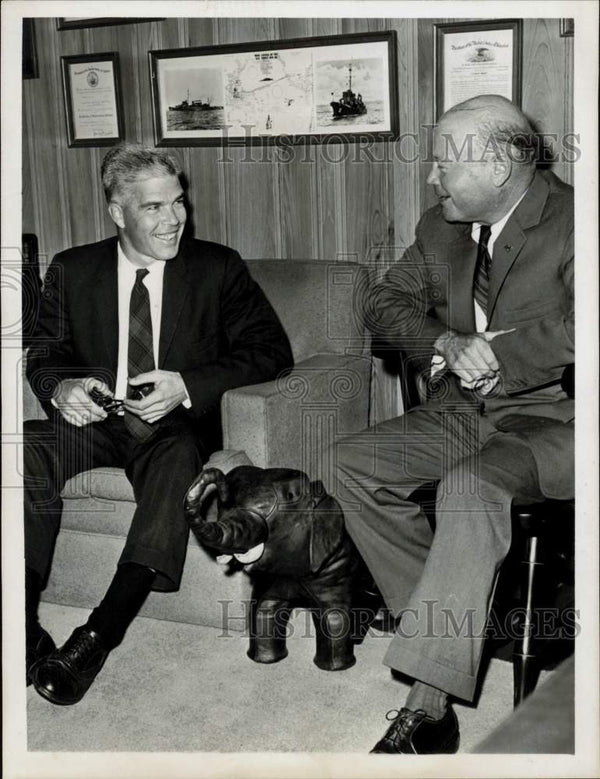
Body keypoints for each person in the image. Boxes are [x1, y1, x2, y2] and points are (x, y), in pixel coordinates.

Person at [335, 95, 574, 753]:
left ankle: (429, 702)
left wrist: (500, 352)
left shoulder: (580, 222)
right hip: (463, 414)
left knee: (468, 488)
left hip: (559, 423)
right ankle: (448, 626)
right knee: (348, 463)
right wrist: (445, 342)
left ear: (497, 165)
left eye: (443, 163)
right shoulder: (443, 226)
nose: (433, 178)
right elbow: (384, 303)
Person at [24, 143, 293, 706]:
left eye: (178, 203)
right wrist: (62, 387)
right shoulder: (73, 268)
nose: (174, 218)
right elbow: (44, 353)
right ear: (118, 213)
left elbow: (271, 352)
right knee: (22, 449)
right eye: (153, 207)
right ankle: (22, 626)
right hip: (98, 418)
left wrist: (187, 384)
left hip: (171, 427)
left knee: (175, 461)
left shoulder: (216, 267)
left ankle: (98, 633)